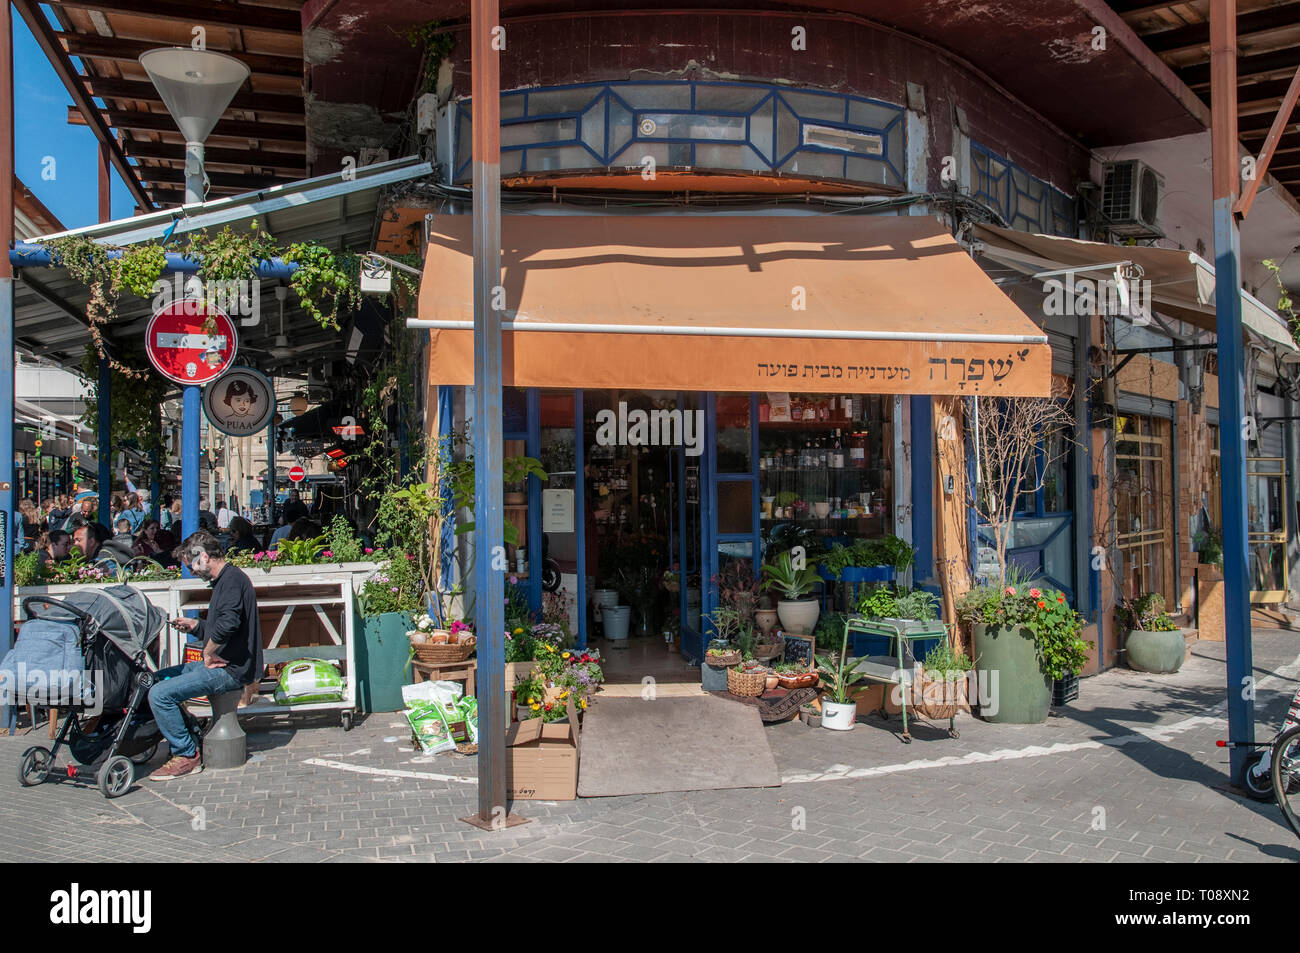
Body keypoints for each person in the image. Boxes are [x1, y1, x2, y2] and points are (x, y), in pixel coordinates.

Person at [148, 531, 263, 780]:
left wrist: (207, 653)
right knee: (156, 681)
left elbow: (228, 626)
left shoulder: (231, 581)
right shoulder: (226, 580)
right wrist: (195, 625)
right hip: (224, 664)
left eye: (192, 565)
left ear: (204, 557)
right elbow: (222, 626)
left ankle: (187, 755)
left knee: (159, 694)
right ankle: (189, 733)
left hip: (231, 669)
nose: (192, 571)